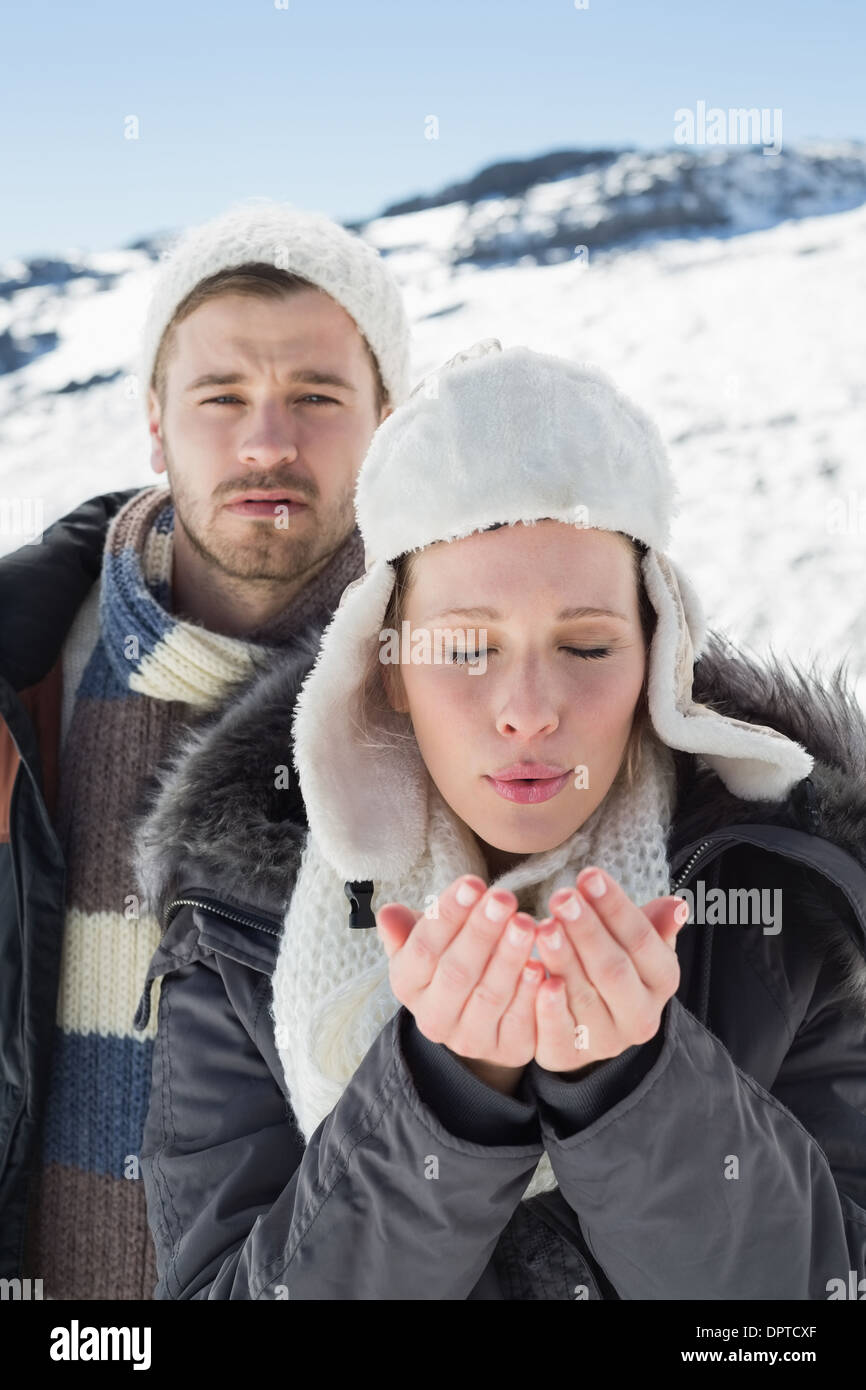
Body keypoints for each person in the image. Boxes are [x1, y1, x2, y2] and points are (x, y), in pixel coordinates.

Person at [135, 339, 866, 1299]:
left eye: (588, 646)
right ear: (385, 665)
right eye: (467, 645)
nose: (528, 707)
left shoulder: (785, 897)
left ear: (659, 657)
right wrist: (444, 1098)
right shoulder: (236, 922)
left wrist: (634, 1086)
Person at [0, 199, 410, 1297]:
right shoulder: (22, 679)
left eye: (316, 398)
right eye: (220, 396)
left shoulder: (458, 701)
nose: (266, 441)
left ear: (389, 417)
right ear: (154, 420)